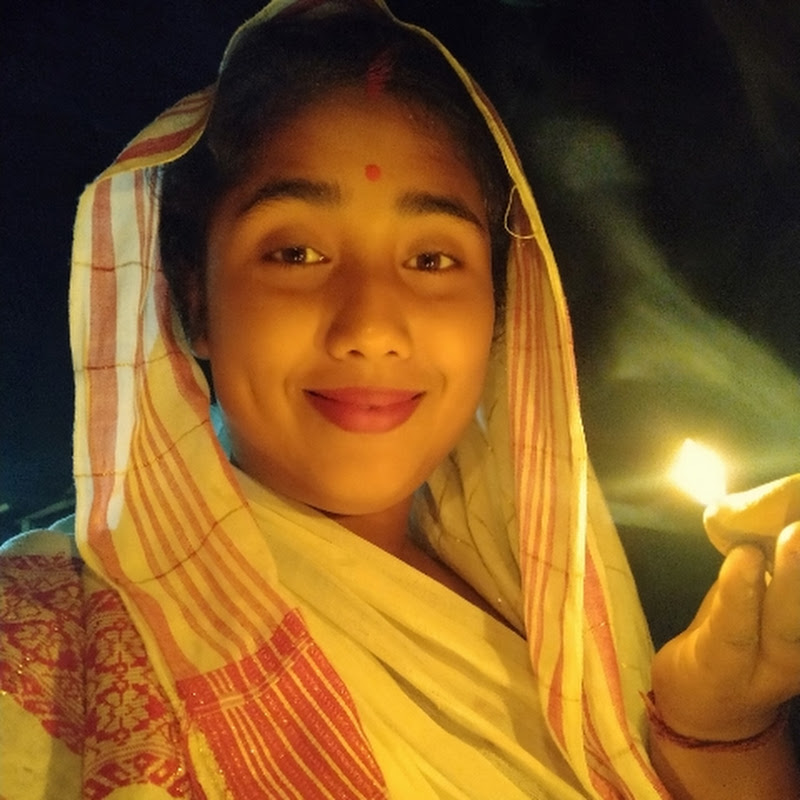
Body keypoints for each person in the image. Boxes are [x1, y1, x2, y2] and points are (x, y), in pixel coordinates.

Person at [1, 1, 798, 797]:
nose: (372, 328)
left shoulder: (550, 596)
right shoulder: (54, 631)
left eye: (431, 259)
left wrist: (718, 725)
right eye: (297, 252)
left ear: (499, 305)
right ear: (195, 299)